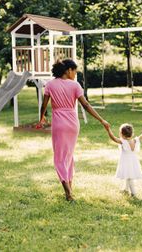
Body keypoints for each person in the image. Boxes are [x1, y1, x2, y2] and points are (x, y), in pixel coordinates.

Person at [37, 59, 110, 201]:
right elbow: (86, 105)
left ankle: (68, 192)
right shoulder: (75, 85)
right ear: (68, 70)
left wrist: (41, 118)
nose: (75, 74)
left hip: (59, 125)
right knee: (68, 156)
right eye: (75, 71)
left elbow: (44, 104)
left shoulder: (50, 85)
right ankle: (70, 187)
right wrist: (101, 120)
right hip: (73, 124)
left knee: (59, 158)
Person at [106, 123, 142, 197]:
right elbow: (141, 137)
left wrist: (108, 129)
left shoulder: (122, 141)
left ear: (121, 134)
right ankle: (125, 189)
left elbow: (113, 138)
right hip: (133, 161)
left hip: (126, 162)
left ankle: (134, 193)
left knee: (129, 177)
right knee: (128, 175)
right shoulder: (135, 140)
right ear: (132, 133)